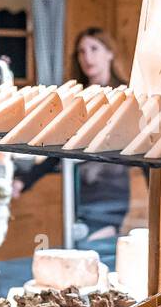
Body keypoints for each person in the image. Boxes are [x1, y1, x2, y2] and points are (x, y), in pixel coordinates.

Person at [13, 28, 133, 239]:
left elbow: (145, 150)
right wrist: (26, 180)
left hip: (111, 191)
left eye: (94, 49)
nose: (88, 57)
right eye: (81, 51)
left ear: (110, 53)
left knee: (97, 246)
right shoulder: (76, 98)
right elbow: (61, 148)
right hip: (78, 190)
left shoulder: (126, 95)